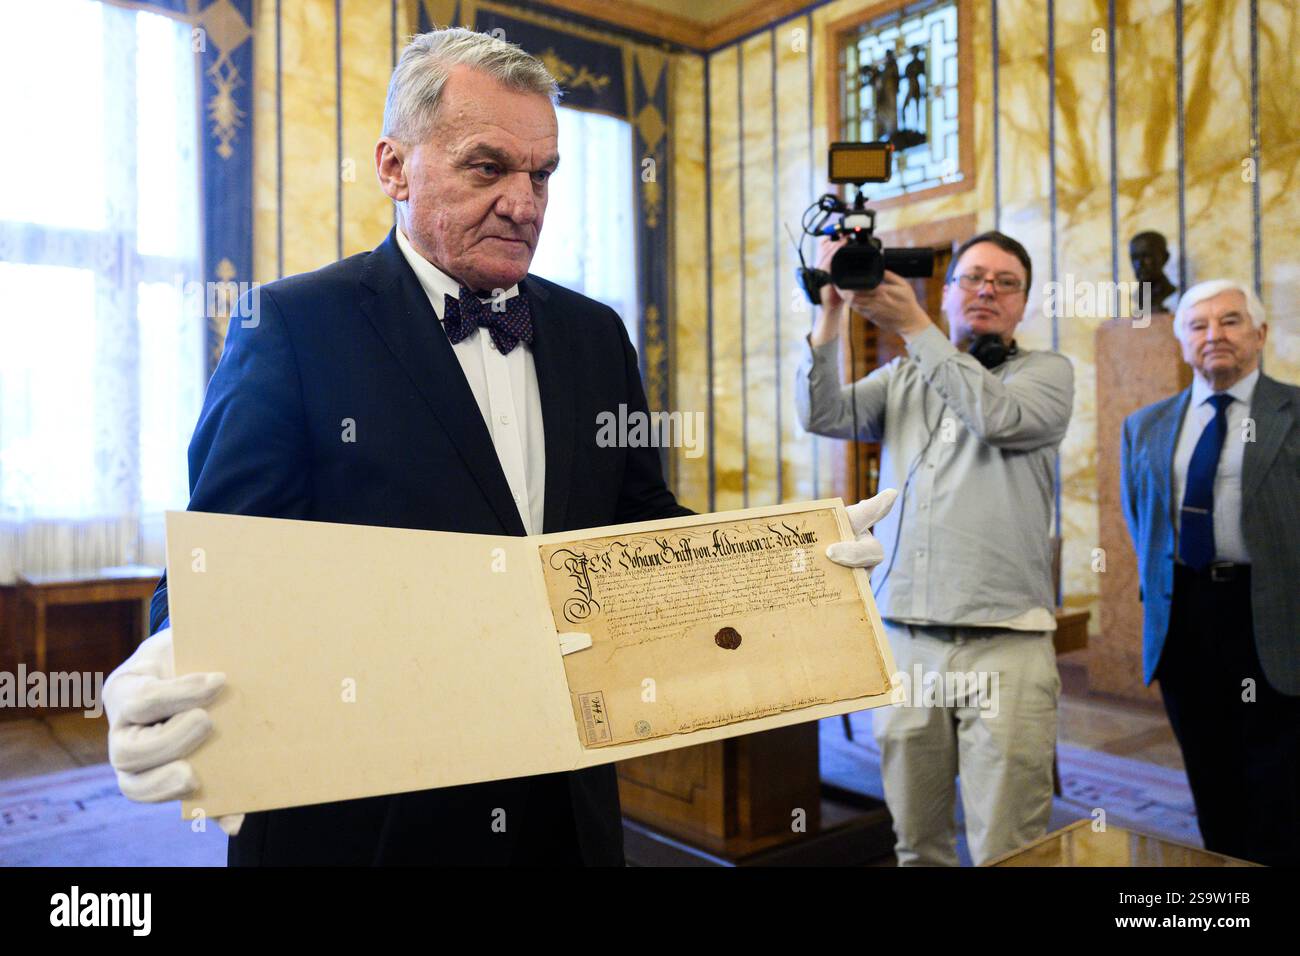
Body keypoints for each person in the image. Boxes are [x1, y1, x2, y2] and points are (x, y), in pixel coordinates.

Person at [102, 27, 894, 867]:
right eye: (489, 167)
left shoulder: (595, 335)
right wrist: (168, 649)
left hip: (565, 805)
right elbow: (224, 562)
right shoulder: (294, 326)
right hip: (361, 822)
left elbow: (638, 526)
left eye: (542, 173)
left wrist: (785, 568)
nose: (526, 201)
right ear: (394, 167)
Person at [796, 231, 1075, 866]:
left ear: (1024, 303)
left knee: (1010, 848)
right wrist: (831, 310)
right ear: (949, 292)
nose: (986, 290)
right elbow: (824, 414)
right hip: (907, 643)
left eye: (1005, 282)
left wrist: (917, 326)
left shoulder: (1048, 374)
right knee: (917, 846)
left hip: (1007, 643)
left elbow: (998, 418)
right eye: (973, 277)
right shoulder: (903, 375)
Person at [1121, 278, 1299, 866]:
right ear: (1182, 342)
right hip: (1187, 618)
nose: (1213, 335)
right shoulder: (1144, 426)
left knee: (1277, 782)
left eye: (1230, 321)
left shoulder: (1293, 413)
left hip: (1273, 616)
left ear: (1261, 334)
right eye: (1198, 325)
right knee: (1210, 772)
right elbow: (1140, 519)